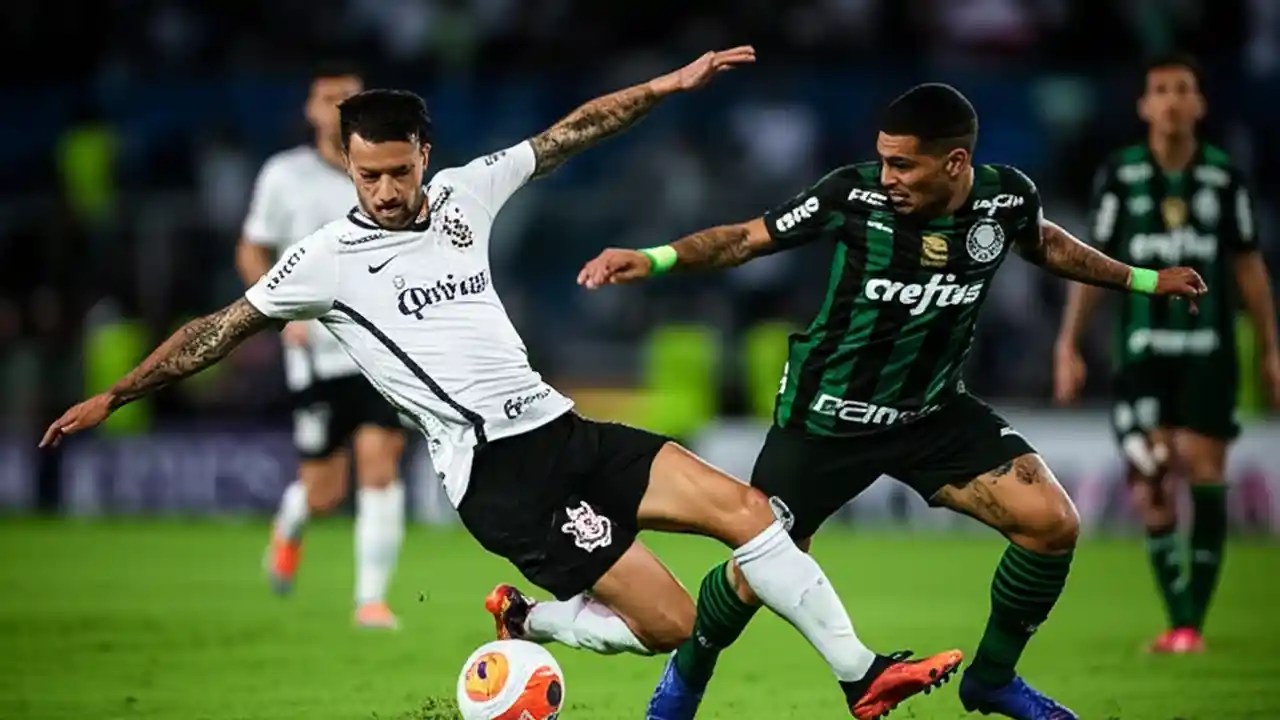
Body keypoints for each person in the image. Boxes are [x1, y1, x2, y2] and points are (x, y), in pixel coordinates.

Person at [40, 49, 963, 720]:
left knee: (752, 513)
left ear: (423, 156)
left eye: (399, 172)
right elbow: (220, 328)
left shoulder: (464, 196)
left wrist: (666, 87)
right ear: (348, 166)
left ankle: (860, 679)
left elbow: (569, 134)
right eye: (368, 176)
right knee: (674, 624)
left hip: (563, 430)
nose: (386, 191)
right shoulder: (324, 258)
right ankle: (531, 617)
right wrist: (116, 394)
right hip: (498, 480)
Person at [578, 83, 1207, 720]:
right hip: (827, 418)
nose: (888, 176)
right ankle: (677, 694)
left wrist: (1146, 279)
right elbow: (746, 238)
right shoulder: (850, 197)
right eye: (883, 159)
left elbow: (1044, 242)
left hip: (932, 413)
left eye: (902, 164)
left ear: (955, 164)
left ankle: (992, 680)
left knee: (1052, 525)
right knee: (753, 577)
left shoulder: (1006, 198)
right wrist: (654, 259)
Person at [1054, 53, 1278, 653]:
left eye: (1184, 89)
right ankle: (1181, 620)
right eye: (1161, 90)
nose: (1173, 100)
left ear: (1200, 104)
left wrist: (1271, 349)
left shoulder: (1224, 178)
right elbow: (1089, 262)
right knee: (1151, 477)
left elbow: (1249, 267)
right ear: (1144, 105)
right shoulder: (1121, 176)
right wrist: (1069, 344)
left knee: (1204, 469)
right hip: (1142, 350)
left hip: (1209, 350)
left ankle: (1187, 625)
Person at [233, 63, 409, 629]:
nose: (336, 106)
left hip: (381, 351)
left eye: (347, 97)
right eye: (326, 97)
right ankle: (291, 522)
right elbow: (251, 248)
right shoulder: (284, 175)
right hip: (314, 353)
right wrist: (278, 311)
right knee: (325, 492)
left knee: (381, 464)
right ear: (309, 109)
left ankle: (371, 601)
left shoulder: (388, 170)